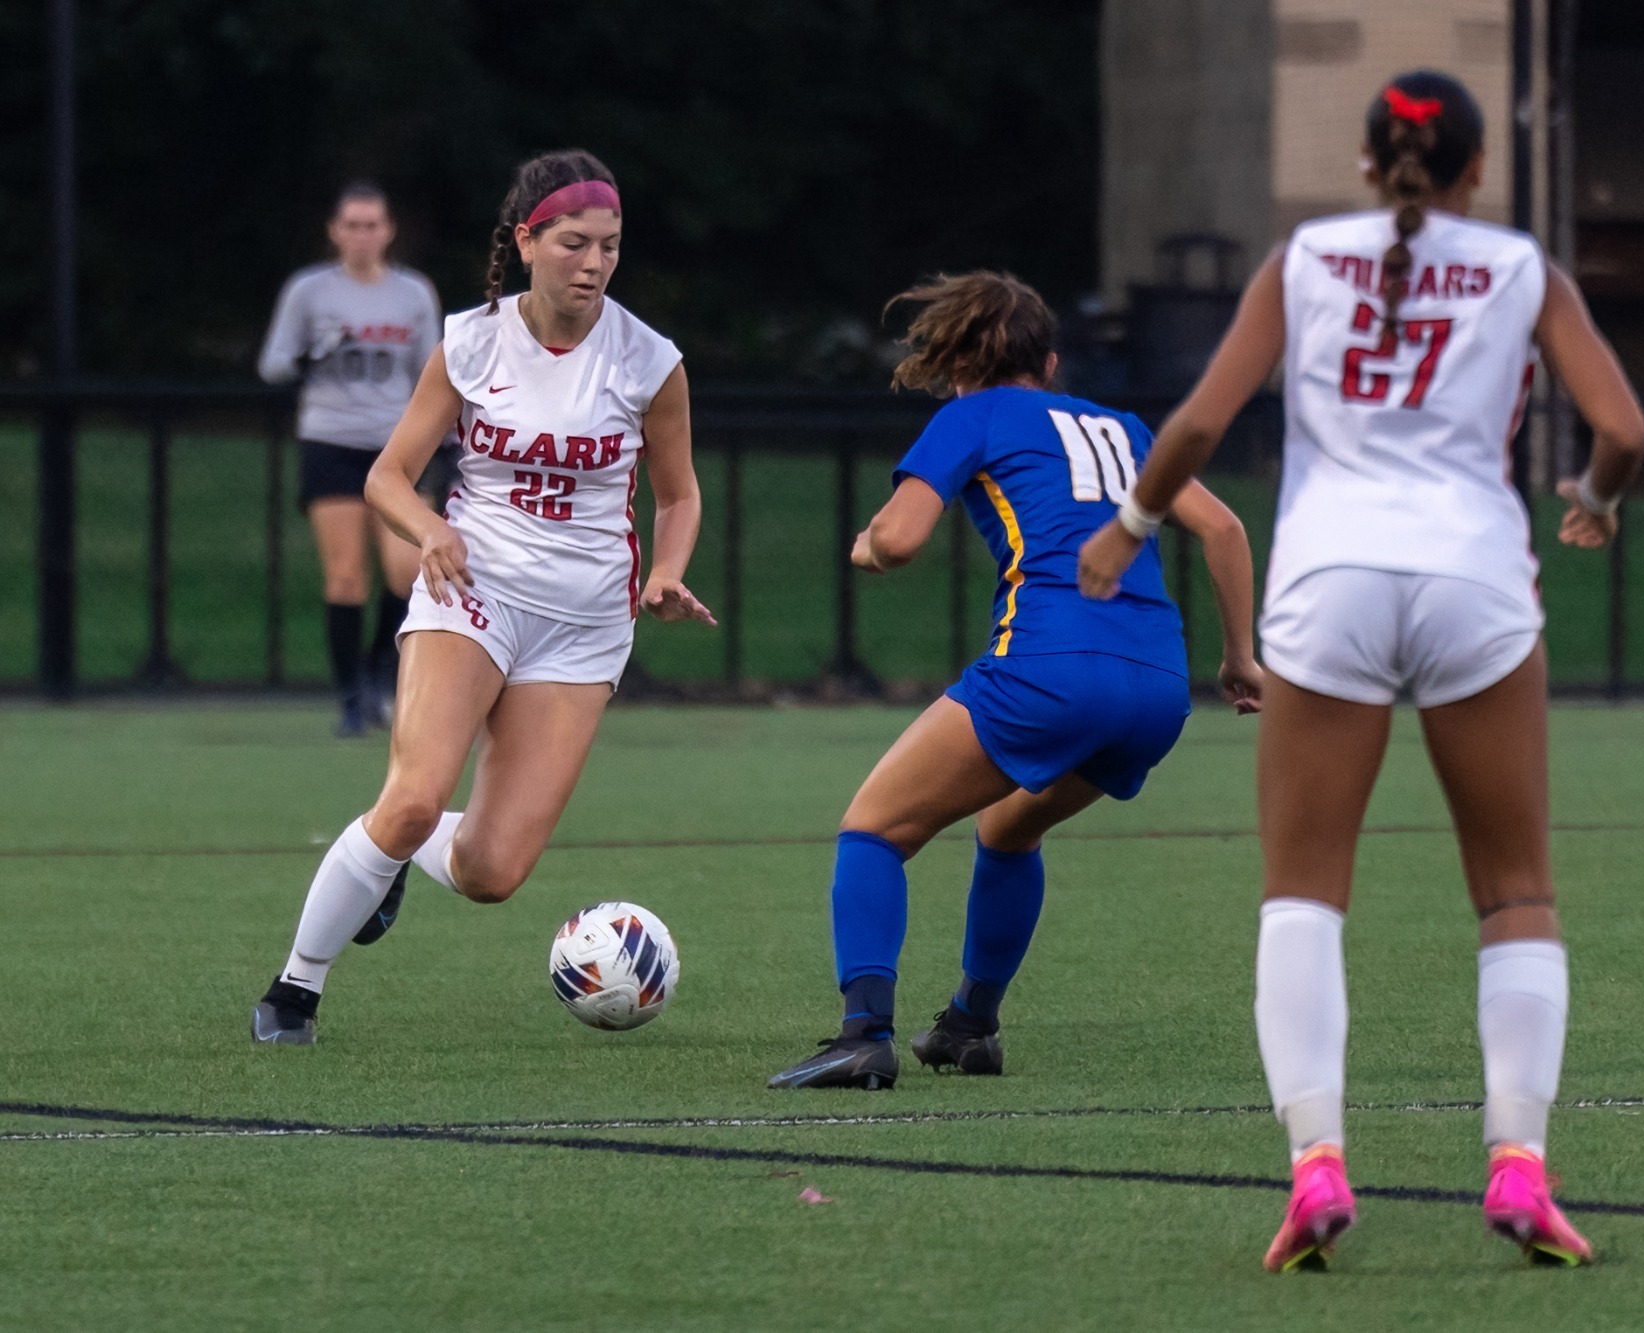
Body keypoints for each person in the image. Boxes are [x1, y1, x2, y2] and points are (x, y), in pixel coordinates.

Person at [1078, 71, 1644, 1270]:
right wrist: (1594, 501)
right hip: (1472, 582)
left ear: (1364, 160)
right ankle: (1518, 1164)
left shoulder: (1301, 260)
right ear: (1476, 170)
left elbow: (1198, 422)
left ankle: (1316, 1166)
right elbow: (1622, 429)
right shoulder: (1519, 267)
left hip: (1325, 582)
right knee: (1513, 892)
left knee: (1302, 892)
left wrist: (1129, 526)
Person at [252, 150, 714, 1046]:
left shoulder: (650, 361)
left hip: (583, 624)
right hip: (473, 591)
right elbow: (387, 477)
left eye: (610, 246)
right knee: (413, 796)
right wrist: (430, 529)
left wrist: (665, 570)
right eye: (574, 243)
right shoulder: (472, 339)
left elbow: (679, 493)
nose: (594, 263)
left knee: (493, 871)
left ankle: (393, 849)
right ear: (527, 241)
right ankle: (295, 988)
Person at [768, 272, 1262, 1091]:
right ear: (1052, 362)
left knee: (874, 830)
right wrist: (1239, 657)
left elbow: (899, 539)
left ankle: (864, 1035)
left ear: (957, 364)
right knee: (1007, 828)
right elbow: (1226, 528)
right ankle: (970, 1025)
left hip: (1051, 669)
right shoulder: (1123, 427)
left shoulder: (973, 414)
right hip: (1156, 687)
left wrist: (868, 545)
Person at [259, 183, 443, 735]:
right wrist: (317, 351)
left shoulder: (413, 293)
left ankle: (378, 673)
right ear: (335, 231)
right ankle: (350, 699)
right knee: (345, 579)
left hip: (395, 447)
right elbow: (273, 364)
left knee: (407, 572)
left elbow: (431, 373)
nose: (363, 235)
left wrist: (440, 438)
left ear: (388, 231)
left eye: (372, 225)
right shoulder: (309, 291)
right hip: (331, 441)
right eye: (352, 225)